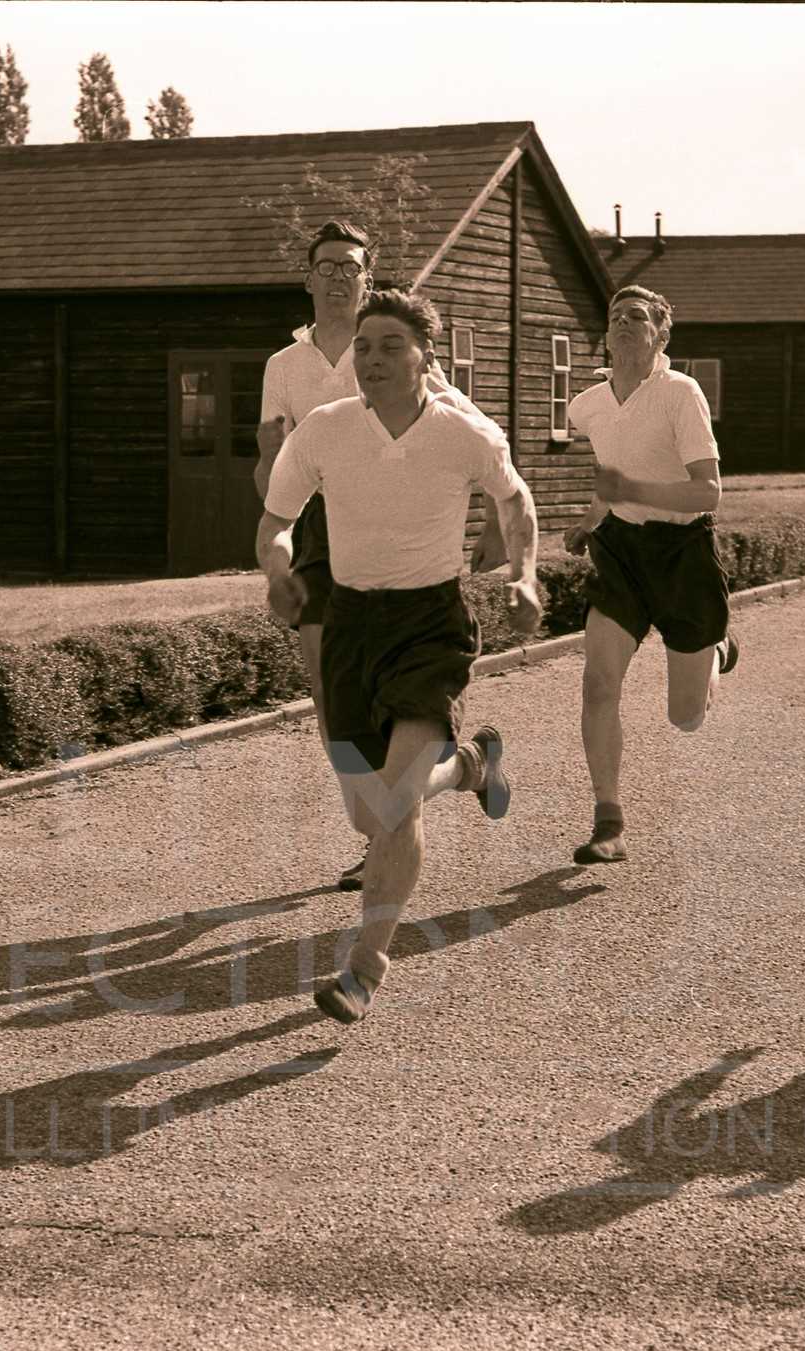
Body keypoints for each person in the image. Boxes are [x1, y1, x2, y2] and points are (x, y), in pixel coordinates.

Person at [257, 288, 540, 1024]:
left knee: (396, 802)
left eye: (390, 346)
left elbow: (516, 503)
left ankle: (364, 964)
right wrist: (279, 570)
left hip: (428, 624)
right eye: (365, 348)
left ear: (426, 360)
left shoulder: (463, 433)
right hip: (350, 625)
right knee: (370, 810)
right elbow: (276, 521)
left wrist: (524, 575)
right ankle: (475, 766)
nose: (372, 359)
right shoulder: (323, 429)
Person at [252, 220, 501, 893]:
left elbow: (464, 433)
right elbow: (267, 478)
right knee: (328, 687)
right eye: (326, 266)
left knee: (399, 700)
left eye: (350, 267)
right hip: (319, 533)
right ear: (308, 279)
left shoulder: (397, 350)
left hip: (400, 535)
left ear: (369, 278)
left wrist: (497, 520)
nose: (338, 276)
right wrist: (274, 465)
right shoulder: (284, 366)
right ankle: (388, 816)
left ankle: (394, 823)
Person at [560, 286, 739, 865]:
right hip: (620, 555)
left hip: (681, 552)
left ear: (661, 335)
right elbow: (610, 474)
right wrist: (592, 520)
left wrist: (631, 491)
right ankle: (608, 818)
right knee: (598, 682)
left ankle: (716, 651)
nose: (624, 324)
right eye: (615, 317)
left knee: (684, 718)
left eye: (637, 317)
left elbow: (708, 490)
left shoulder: (680, 393)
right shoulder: (586, 406)